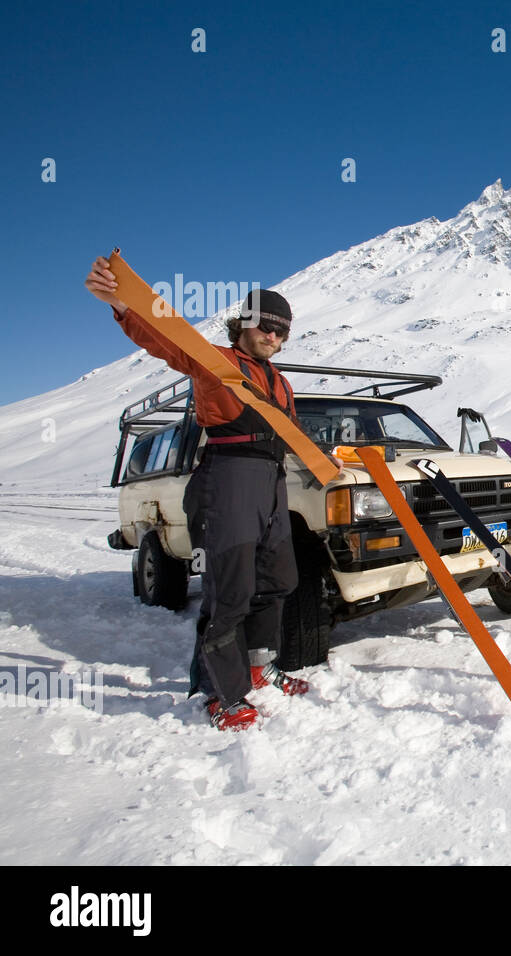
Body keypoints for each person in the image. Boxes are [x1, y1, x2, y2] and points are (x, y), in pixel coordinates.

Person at [86, 256, 321, 731]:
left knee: (278, 579)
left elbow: (290, 435)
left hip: (273, 482)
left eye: (282, 331)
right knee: (229, 592)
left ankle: (258, 663)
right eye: (265, 326)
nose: (273, 336)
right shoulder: (215, 361)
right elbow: (165, 340)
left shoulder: (280, 380)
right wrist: (120, 303)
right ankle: (220, 693)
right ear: (244, 323)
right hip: (229, 477)